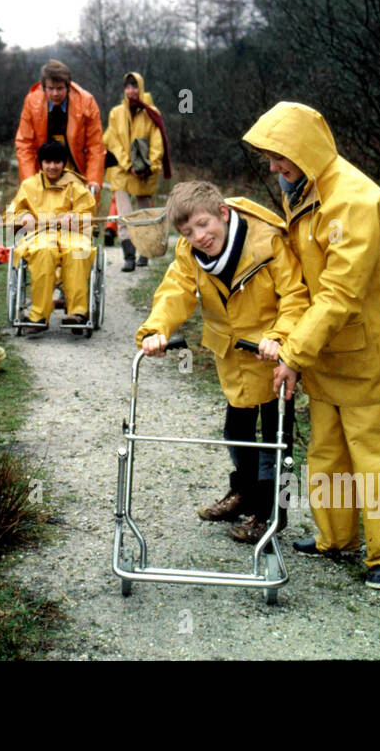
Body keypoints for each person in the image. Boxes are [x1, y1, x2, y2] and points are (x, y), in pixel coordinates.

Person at [244, 102, 380, 590]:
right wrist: (297, 348)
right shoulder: (304, 191)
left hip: (373, 355)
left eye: (279, 157)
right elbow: (306, 283)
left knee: (376, 458)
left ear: (304, 150)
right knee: (327, 452)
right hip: (327, 351)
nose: (273, 167)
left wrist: (293, 354)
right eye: (270, 158)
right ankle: (336, 538)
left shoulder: (356, 199)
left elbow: (342, 291)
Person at [136, 181, 309, 541]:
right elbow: (175, 291)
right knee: (237, 432)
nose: (199, 236)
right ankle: (243, 493)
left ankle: (272, 513)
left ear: (223, 214)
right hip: (231, 352)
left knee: (277, 440)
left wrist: (279, 337)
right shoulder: (189, 253)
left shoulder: (267, 242)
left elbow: (295, 295)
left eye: (203, 225)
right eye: (187, 232)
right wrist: (158, 329)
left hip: (272, 353)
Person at [7, 140, 96, 333]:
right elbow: (12, 212)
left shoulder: (76, 186)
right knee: (43, 252)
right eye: (48, 162)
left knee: (77, 252)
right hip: (40, 234)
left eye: (57, 162)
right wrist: (24, 217)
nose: (52, 166)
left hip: (72, 234)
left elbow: (87, 212)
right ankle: (38, 315)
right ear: (41, 163)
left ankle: (78, 312)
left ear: (64, 164)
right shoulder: (29, 186)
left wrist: (75, 218)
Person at [104, 71, 172, 272]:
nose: (131, 91)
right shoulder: (116, 113)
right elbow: (113, 141)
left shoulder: (152, 113)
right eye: (127, 87)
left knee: (144, 215)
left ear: (141, 88)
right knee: (124, 215)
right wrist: (128, 165)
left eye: (134, 86)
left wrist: (149, 166)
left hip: (145, 172)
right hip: (121, 171)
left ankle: (144, 252)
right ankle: (129, 256)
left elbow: (158, 141)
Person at [16, 59, 106, 201]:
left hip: (76, 166)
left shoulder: (86, 102)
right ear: (43, 87)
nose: (55, 93)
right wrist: (29, 180)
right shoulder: (32, 102)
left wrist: (93, 179)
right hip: (44, 167)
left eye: (59, 88)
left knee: (78, 211)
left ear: (68, 87)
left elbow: (95, 145)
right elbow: (24, 144)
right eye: (50, 89)